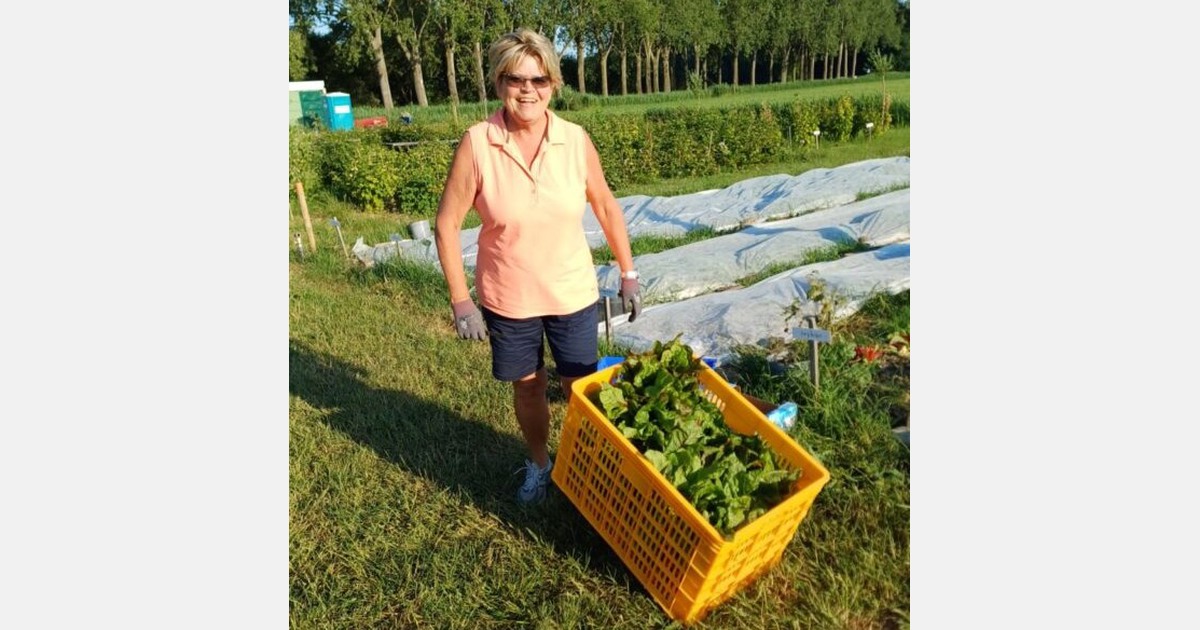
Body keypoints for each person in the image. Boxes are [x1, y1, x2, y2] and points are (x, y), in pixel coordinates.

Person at [434, 28, 641, 504]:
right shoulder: (478, 143)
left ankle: (589, 461)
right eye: (515, 78)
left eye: (539, 79)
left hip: (571, 291)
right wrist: (461, 301)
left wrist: (628, 273)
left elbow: (607, 207)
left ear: (553, 84)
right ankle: (539, 465)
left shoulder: (574, 139)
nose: (528, 89)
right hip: (509, 296)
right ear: (499, 83)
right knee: (529, 387)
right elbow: (447, 225)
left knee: (581, 387)